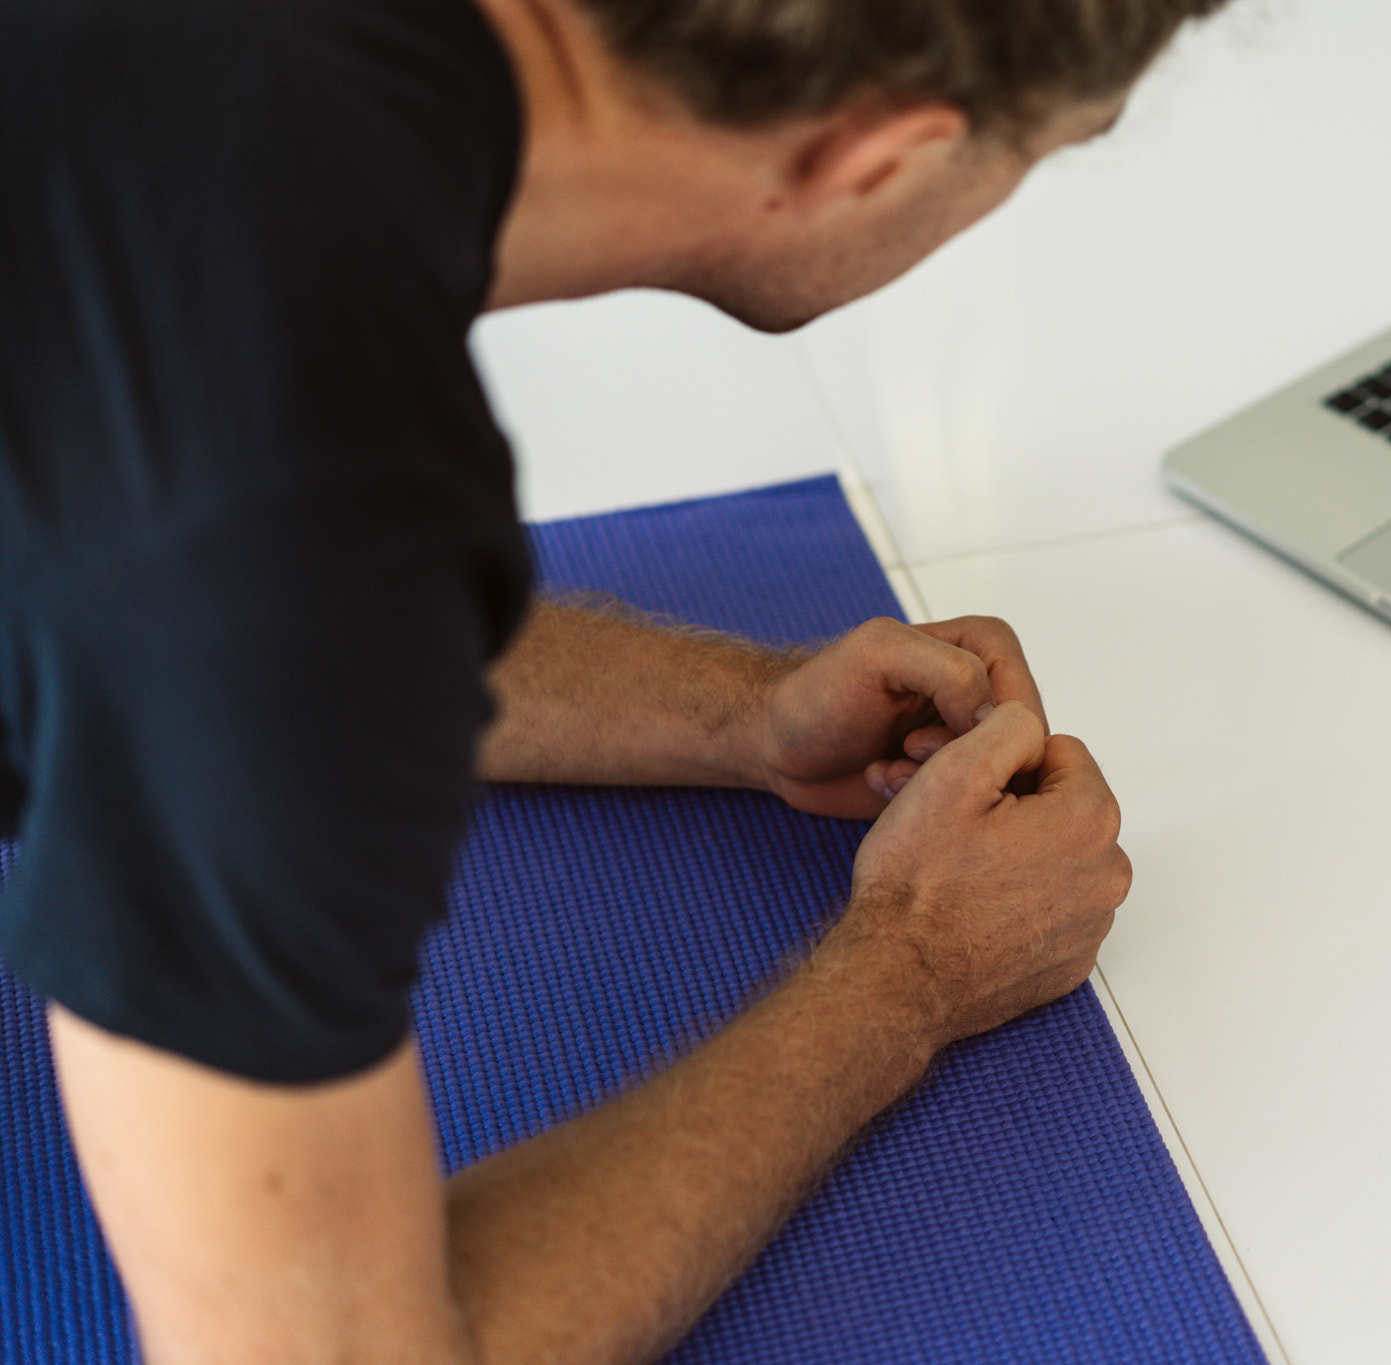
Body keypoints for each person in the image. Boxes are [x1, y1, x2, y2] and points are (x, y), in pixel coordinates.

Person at [0, 0, 1229, 1361]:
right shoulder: (276, 467)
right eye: (1048, 153)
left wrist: (739, 713)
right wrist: (913, 971)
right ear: (876, 158)